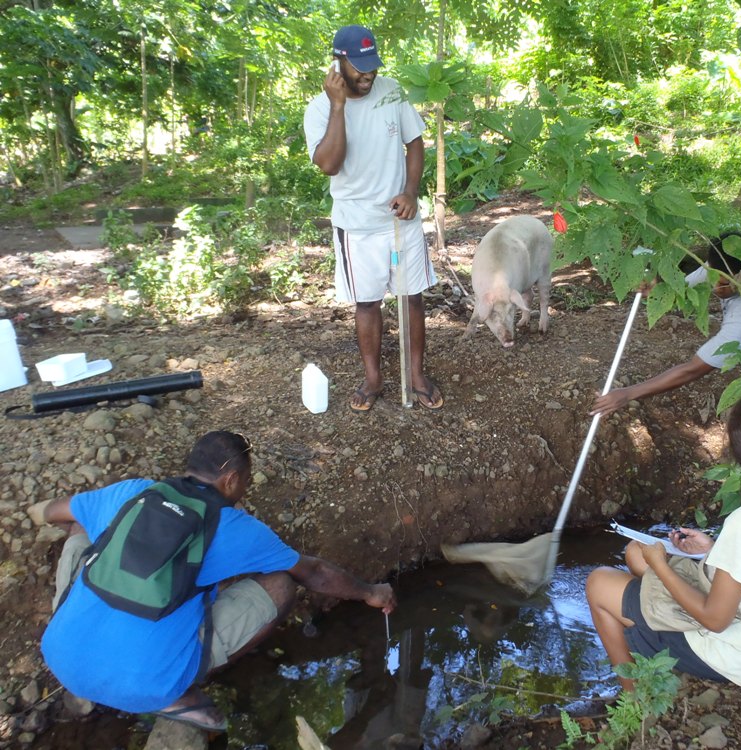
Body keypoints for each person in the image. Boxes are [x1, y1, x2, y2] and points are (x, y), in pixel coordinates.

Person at [39, 431, 396, 732]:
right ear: (231, 479)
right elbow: (314, 574)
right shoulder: (235, 527)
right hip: (147, 683)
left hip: (59, 655)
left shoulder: (134, 492)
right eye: (246, 478)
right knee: (281, 585)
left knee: (81, 523)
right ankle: (180, 692)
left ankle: (90, 630)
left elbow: (55, 512)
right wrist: (371, 592)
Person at [586, 390, 741, 688]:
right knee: (635, 553)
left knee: (599, 583)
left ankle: (633, 701)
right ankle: (650, 641)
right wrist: (713, 550)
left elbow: (715, 620)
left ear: (736, 454)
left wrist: (661, 565)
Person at [303, 24, 443, 412]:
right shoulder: (318, 109)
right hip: (357, 226)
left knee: (412, 297)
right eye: (360, 67)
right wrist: (337, 105)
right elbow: (330, 164)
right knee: (367, 303)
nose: (369, 75)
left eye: (373, 66)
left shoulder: (392, 91)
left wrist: (411, 191)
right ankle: (373, 379)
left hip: (402, 219)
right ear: (338, 62)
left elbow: (414, 142)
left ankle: (415, 375)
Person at [590, 232, 741, 416]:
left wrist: (629, 393)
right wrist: (661, 286)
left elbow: (693, 369)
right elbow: (708, 271)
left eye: (723, 282)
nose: (714, 287)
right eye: (715, 276)